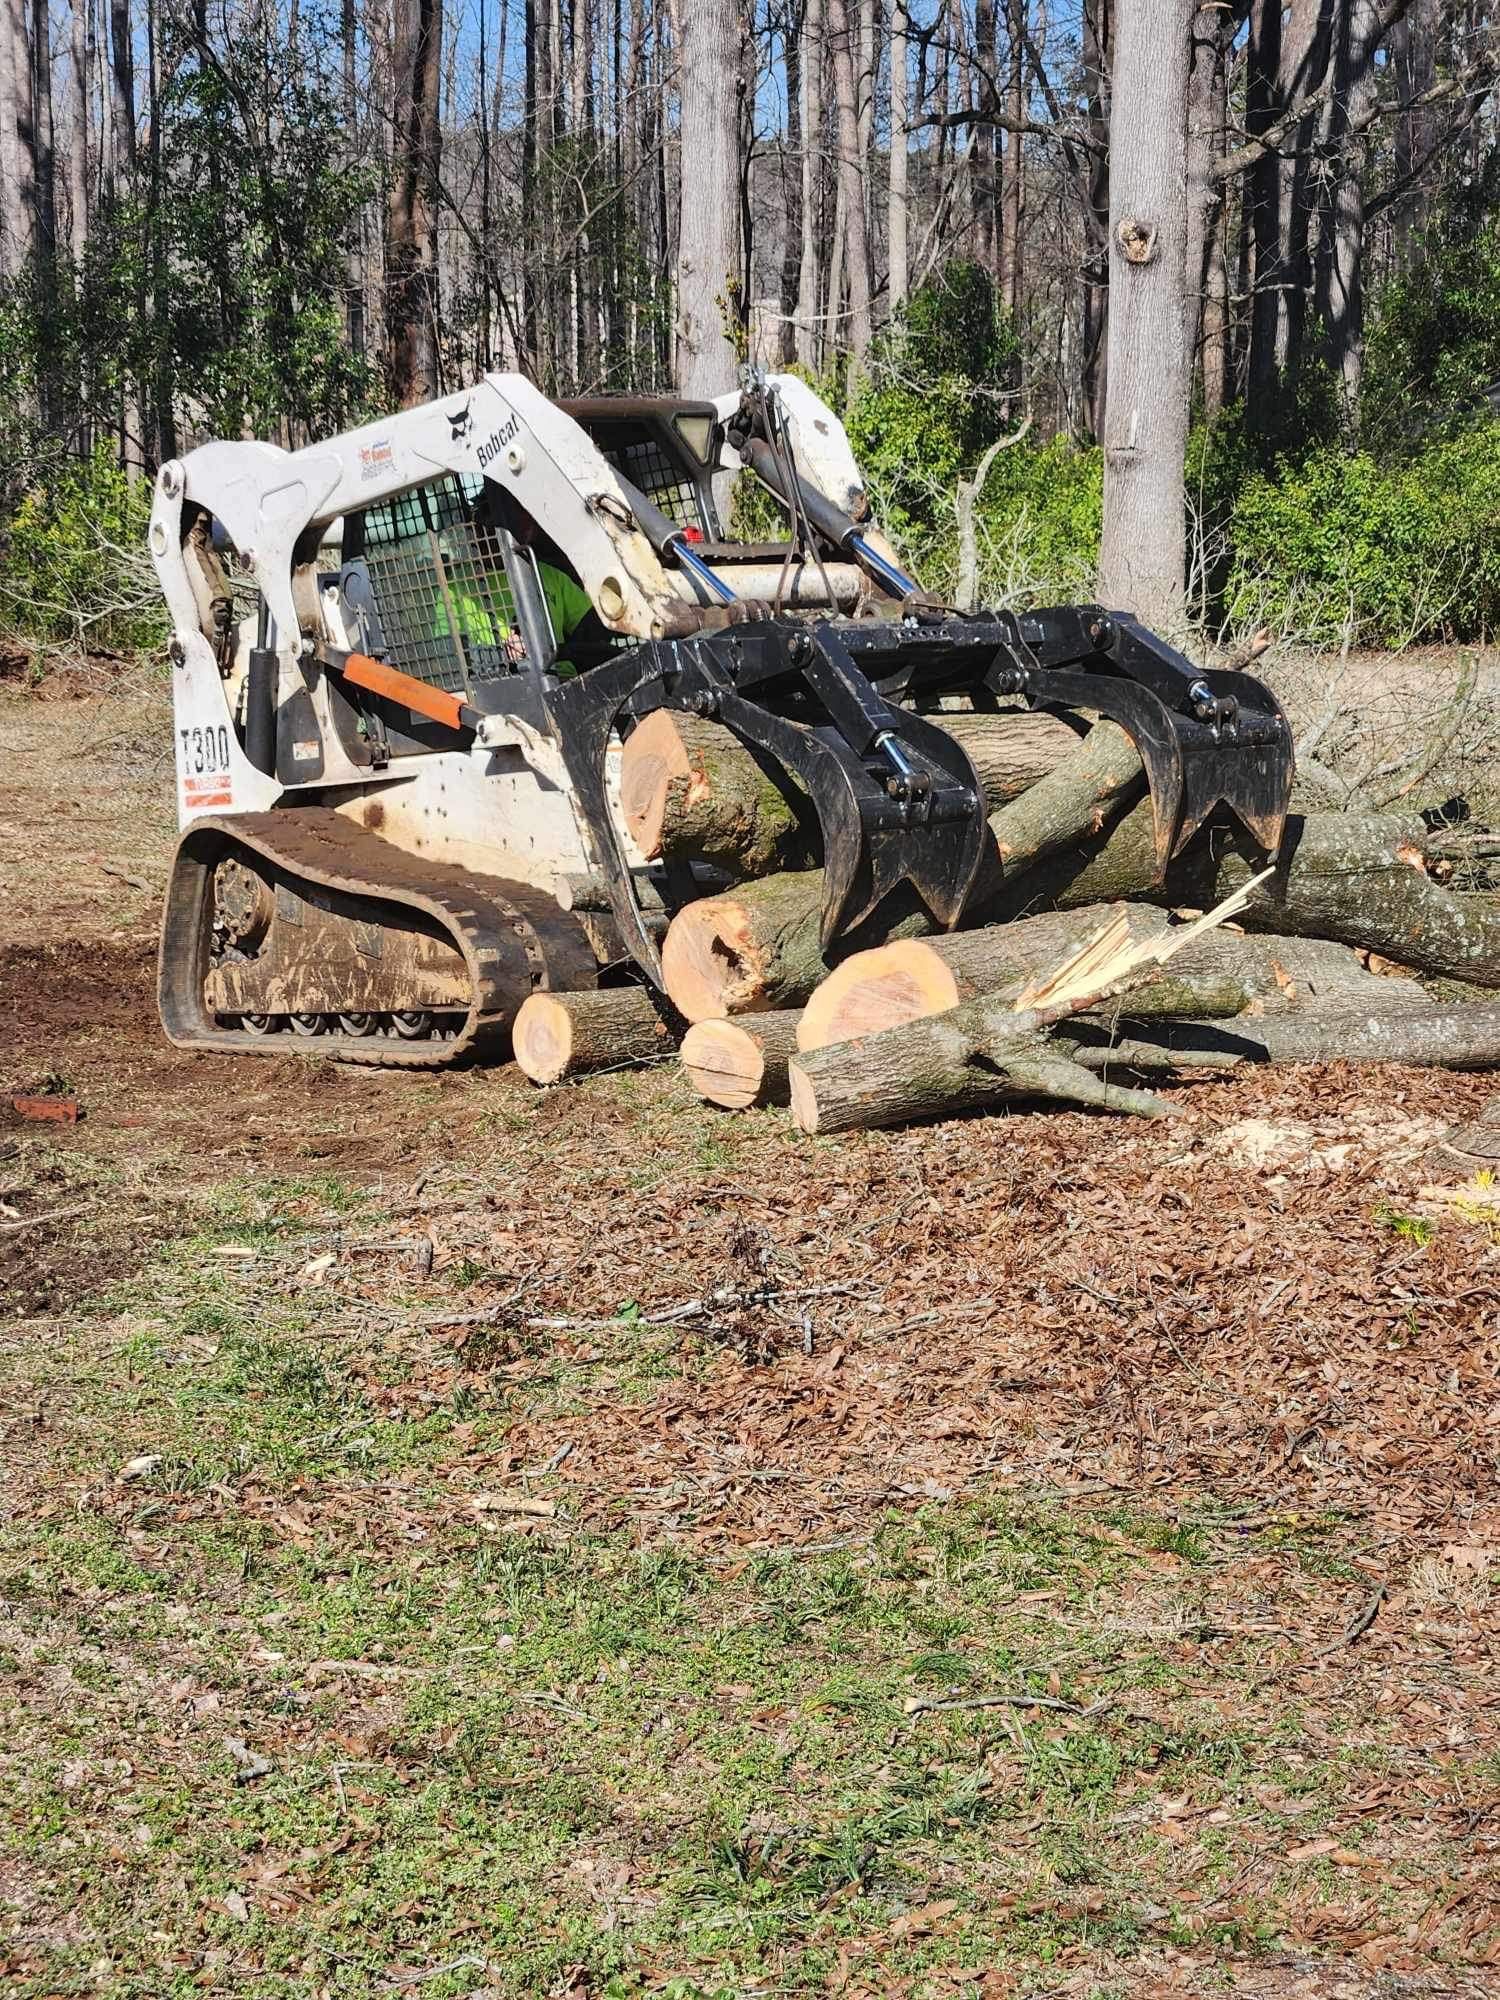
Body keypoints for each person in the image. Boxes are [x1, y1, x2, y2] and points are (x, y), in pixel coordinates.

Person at [436, 482, 601, 677]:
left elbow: (593, 633)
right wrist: (500, 656)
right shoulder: (456, 588)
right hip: (496, 685)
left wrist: (557, 650)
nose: (485, 532)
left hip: (561, 678)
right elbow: (445, 657)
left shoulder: (550, 575)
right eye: (483, 525)